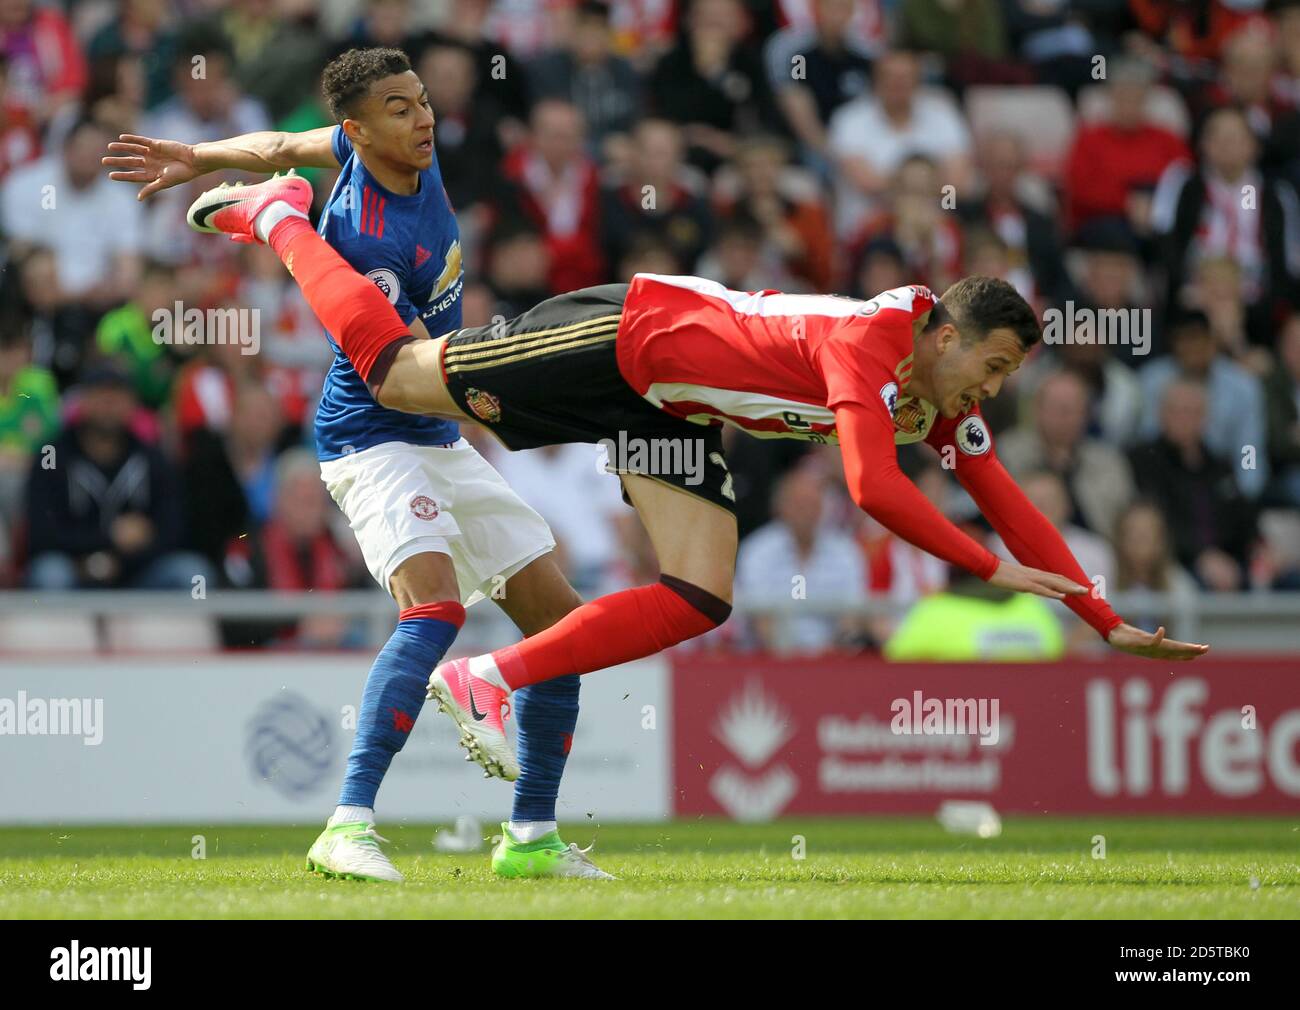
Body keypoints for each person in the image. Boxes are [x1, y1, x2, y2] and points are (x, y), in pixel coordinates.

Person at [182, 169, 1212, 784]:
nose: (983, 394)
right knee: (400, 374)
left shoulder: (937, 394)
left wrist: (1097, 612)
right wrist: (985, 568)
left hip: (670, 405)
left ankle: (487, 676)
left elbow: (1010, 502)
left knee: (700, 593)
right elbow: (871, 491)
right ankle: (278, 216)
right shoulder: (869, 348)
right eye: (985, 366)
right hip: (624, 336)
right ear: (942, 333)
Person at [103, 47, 609, 882]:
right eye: (402, 108)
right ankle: (346, 824)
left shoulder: (377, 149)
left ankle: (531, 839)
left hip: (436, 435)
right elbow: (402, 373)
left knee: (562, 631)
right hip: (372, 435)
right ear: (361, 128)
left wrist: (203, 158)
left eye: (421, 101)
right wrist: (523, 389)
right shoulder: (367, 239)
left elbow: (283, 146)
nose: (425, 118)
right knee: (436, 611)